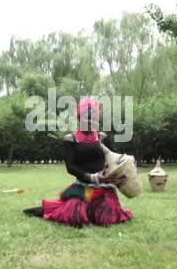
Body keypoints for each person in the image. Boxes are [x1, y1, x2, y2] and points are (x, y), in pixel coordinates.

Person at [24, 97, 133, 228]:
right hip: (83, 187)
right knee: (75, 216)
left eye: (93, 117)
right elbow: (71, 167)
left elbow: (114, 159)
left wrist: (115, 174)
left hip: (104, 189)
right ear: (79, 117)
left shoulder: (102, 137)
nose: (90, 120)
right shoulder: (70, 139)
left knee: (107, 217)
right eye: (86, 116)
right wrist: (93, 177)